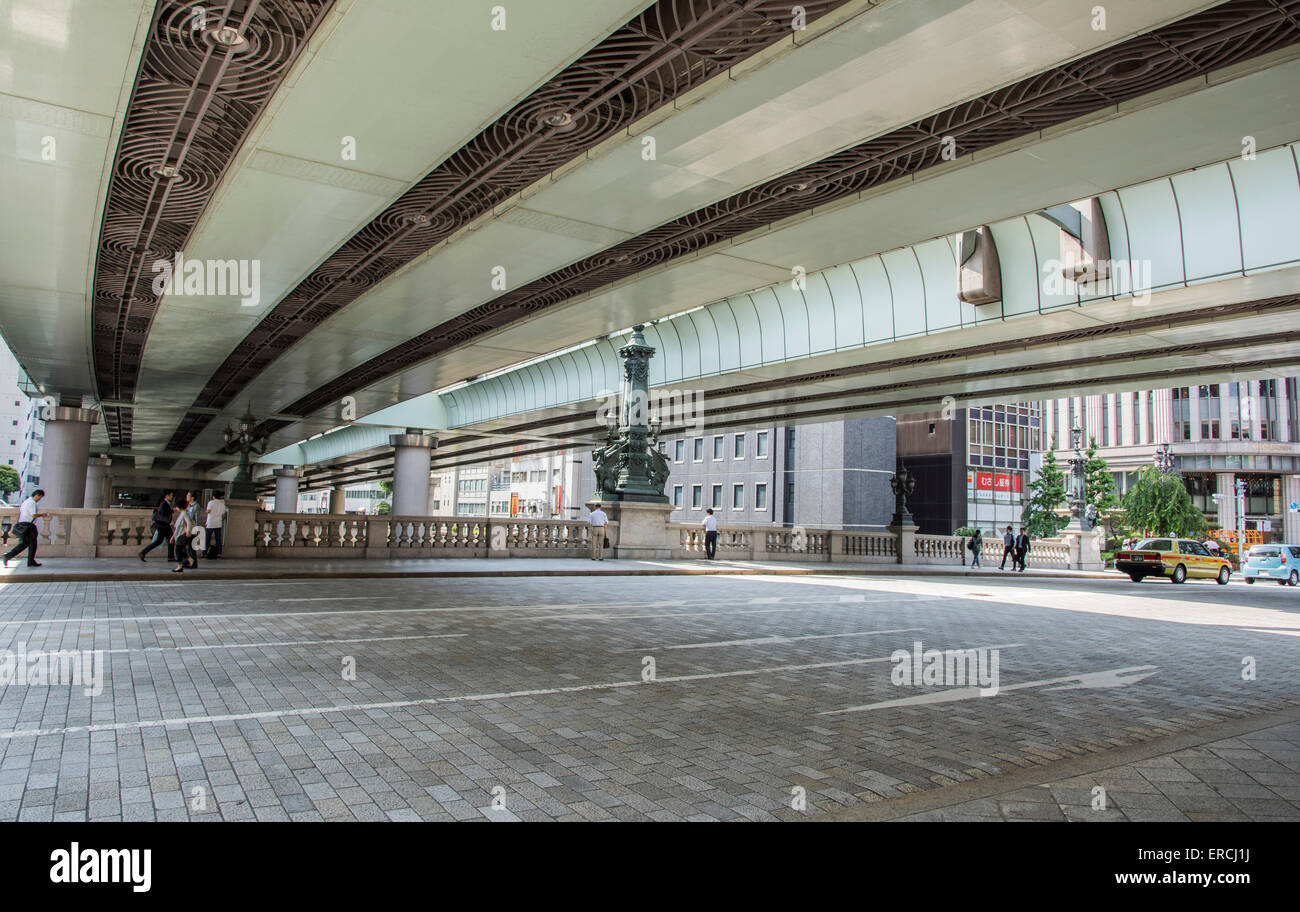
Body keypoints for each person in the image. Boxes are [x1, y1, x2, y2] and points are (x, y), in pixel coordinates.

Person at [3, 489, 47, 568]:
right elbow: (33, 515)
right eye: (40, 497)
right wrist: (42, 515)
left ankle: (8, 556)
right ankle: (30, 561)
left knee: (24, 543)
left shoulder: (26, 502)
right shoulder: (32, 503)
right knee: (32, 544)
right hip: (28, 526)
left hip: (22, 525)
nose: (40, 499)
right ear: (37, 495)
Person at [140, 490, 175, 561]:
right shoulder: (164, 503)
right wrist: (172, 510)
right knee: (170, 539)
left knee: (159, 541)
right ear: (167, 496)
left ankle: (143, 552)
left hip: (162, 525)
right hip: (163, 526)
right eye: (171, 495)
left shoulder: (165, 503)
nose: (172, 496)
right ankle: (170, 557)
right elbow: (163, 513)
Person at [172, 491, 201, 573]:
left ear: (192, 497)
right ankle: (188, 561)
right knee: (185, 547)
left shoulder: (196, 506)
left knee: (190, 547)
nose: (186, 496)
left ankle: (192, 563)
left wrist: (197, 530)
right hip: (186, 530)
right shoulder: (188, 506)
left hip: (191, 530)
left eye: (188, 495)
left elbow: (196, 519)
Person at [204, 490, 226, 559]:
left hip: (210, 523)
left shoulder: (211, 502)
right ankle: (219, 553)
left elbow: (208, 511)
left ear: (213, 497)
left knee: (207, 539)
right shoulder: (222, 504)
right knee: (218, 539)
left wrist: (206, 511)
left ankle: (204, 553)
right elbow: (223, 514)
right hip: (218, 523)